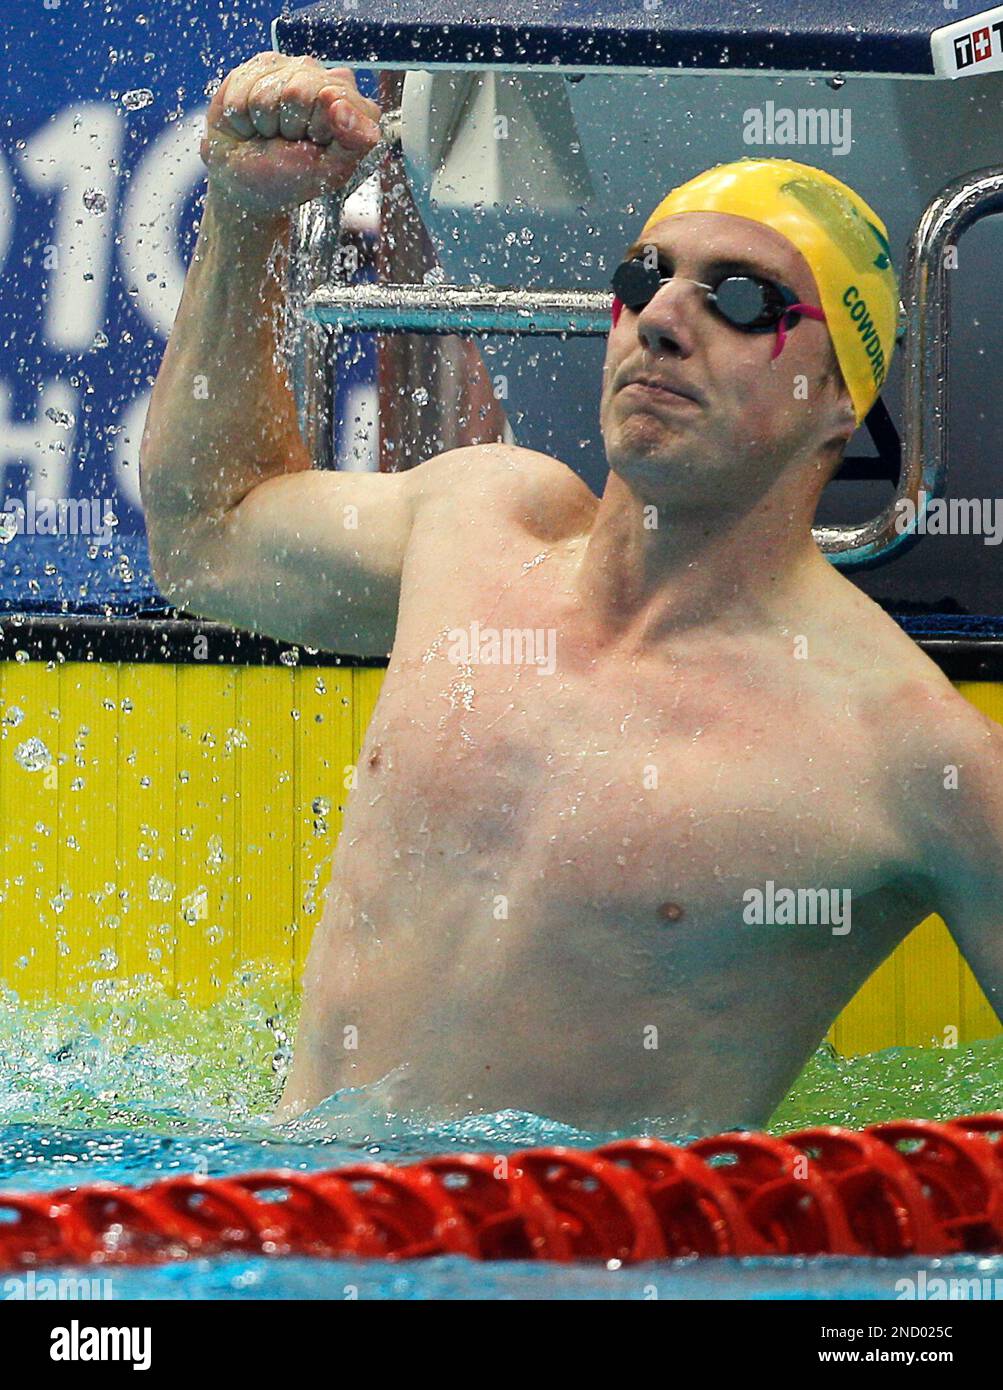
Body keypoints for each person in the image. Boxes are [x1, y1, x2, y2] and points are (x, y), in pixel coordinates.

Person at [140, 52, 1003, 1135]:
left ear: (841, 398)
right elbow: (204, 538)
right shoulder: (479, 525)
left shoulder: (905, 751)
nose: (663, 319)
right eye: (644, 277)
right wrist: (244, 221)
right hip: (279, 1234)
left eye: (742, 300)